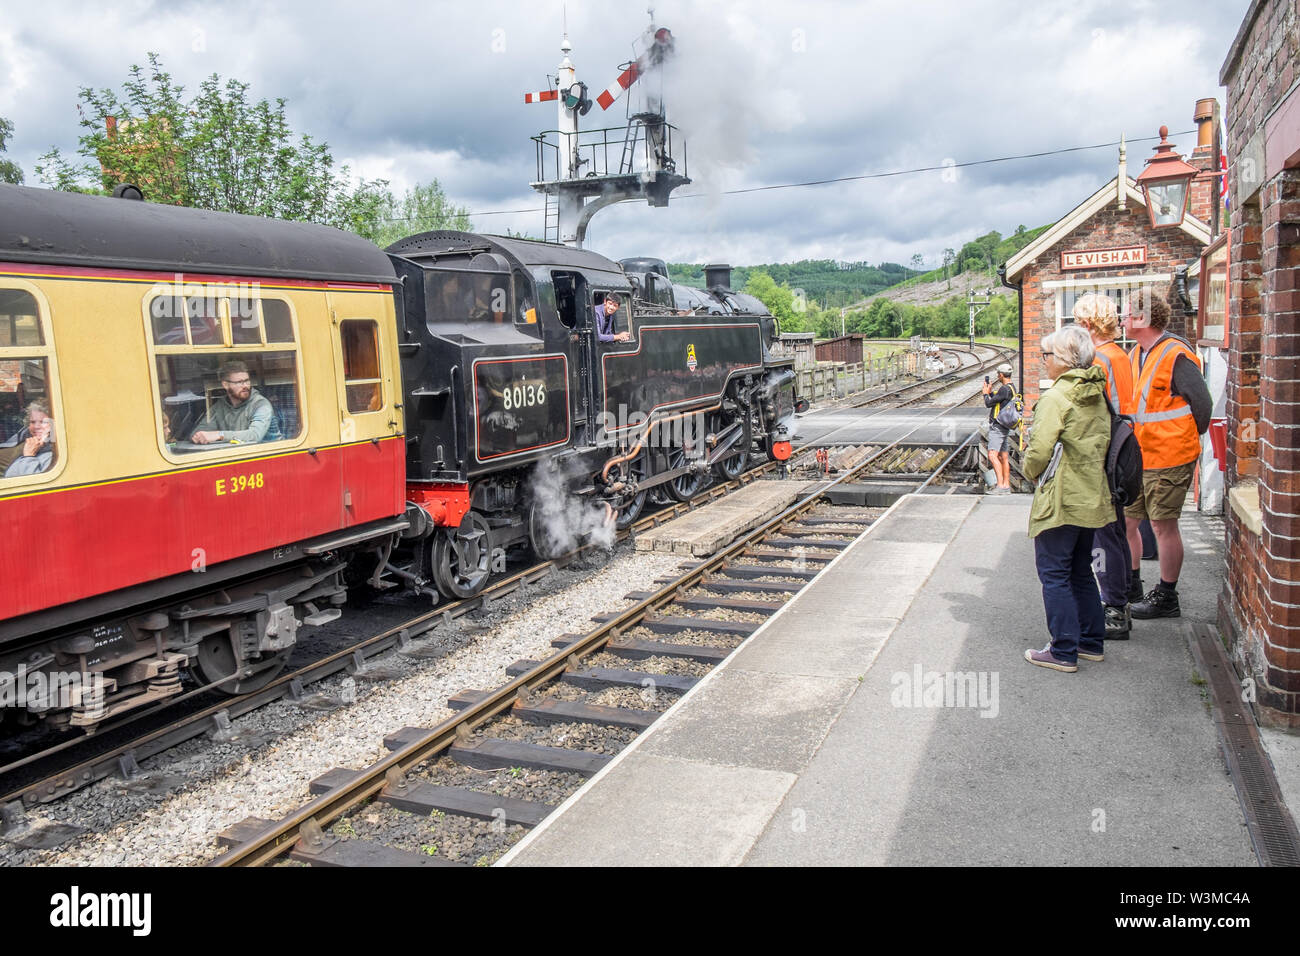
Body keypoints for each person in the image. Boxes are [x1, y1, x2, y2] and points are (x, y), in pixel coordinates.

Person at [1021, 325, 1114, 672]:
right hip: (1091, 495)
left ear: (1062, 360)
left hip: (1061, 498)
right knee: (1080, 571)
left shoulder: (1056, 398)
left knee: (1054, 573)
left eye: (1046, 355)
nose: (1043, 361)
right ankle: (1091, 641)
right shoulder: (1096, 392)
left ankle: (1062, 650)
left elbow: (1039, 451)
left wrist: (1031, 473)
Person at [1120, 291, 1212, 619]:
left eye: (1128, 313)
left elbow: (1203, 406)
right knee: (1128, 521)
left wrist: (1182, 439)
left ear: (1143, 318)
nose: (1123, 318)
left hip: (1170, 455)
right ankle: (1132, 585)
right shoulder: (1136, 354)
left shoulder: (1176, 354)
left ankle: (1166, 595)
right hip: (1142, 456)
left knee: (1163, 525)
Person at [1072, 293, 1136, 639]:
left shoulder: (1098, 360)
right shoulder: (1120, 355)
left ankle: (1112, 607)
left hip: (1104, 452)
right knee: (1117, 529)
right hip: (1123, 447)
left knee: (1102, 531)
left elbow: (1091, 409)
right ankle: (1121, 600)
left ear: (1086, 324)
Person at [191, 361, 280, 445]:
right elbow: (198, 432)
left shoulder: (261, 404)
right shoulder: (220, 406)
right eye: (239, 382)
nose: (245, 386)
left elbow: (255, 436)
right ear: (225, 385)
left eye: (247, 381)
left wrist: (220, 435)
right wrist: (199, 436)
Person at [982, 362, 1016, 494]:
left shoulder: (1004, 389)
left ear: (1001, 375)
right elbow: (998, 402)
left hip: (998, 426)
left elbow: (988, 403)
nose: (997, 376)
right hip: (1005, 426)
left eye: (998, 374)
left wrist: (986, 393)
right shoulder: (1012, 388)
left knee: (992, 454)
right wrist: (991, 393)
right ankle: (1006, 485)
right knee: (1003, 456)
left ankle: (1000, 486)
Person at [0, 400, 55, 477]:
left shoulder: (55, 455)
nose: (36, 426)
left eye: (43, 422)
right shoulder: (26, 438)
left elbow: (38, 484)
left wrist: (29, 456)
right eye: (32, 422)